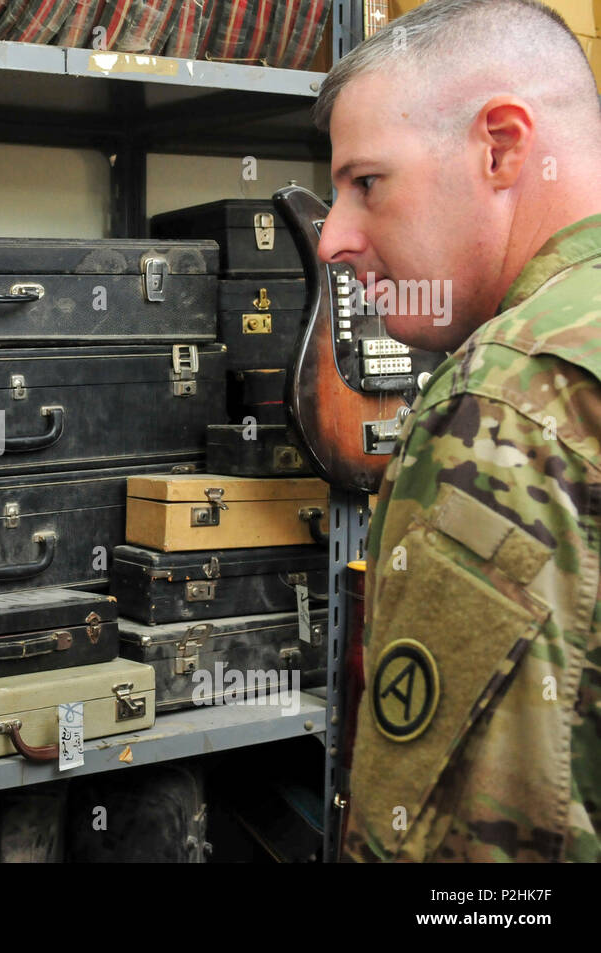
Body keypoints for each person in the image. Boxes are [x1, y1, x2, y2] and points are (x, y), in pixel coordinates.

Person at [315, 0, 601, 861]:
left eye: (368, 183)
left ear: (501, 147)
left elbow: (467, 869)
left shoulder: (505, 404)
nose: (333, 239)